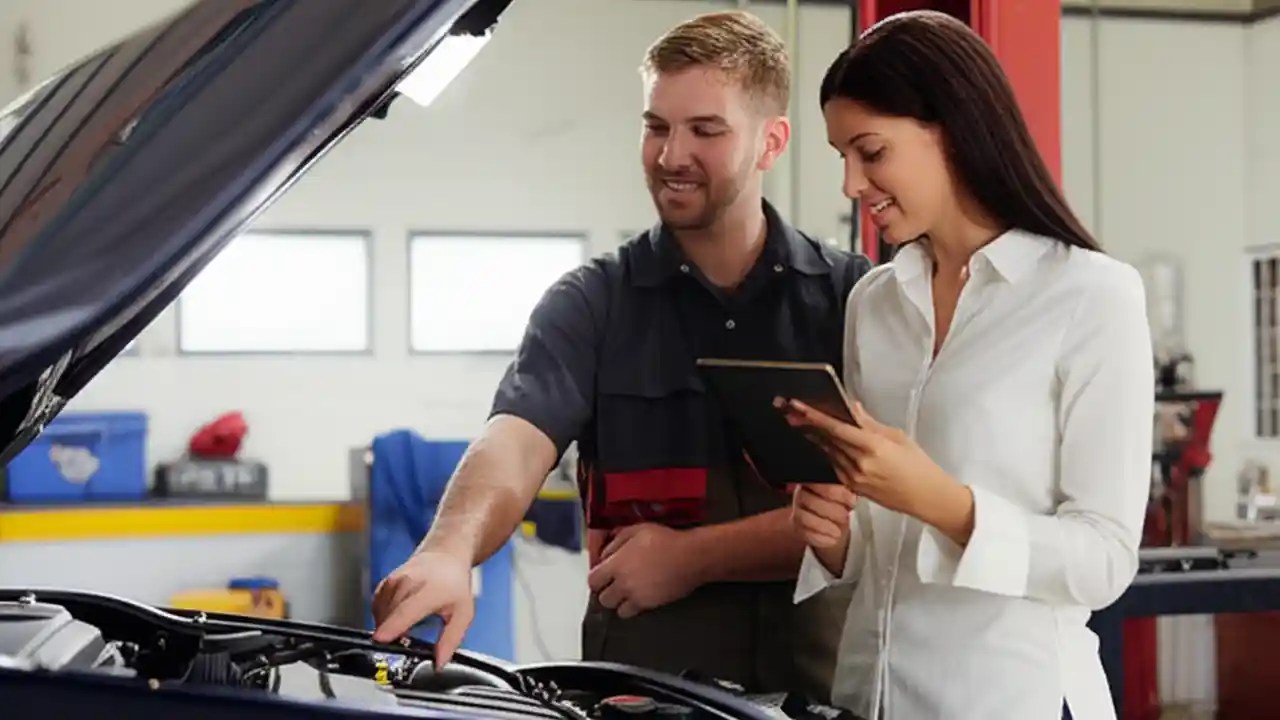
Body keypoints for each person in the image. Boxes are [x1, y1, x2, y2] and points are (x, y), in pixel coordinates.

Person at [371, 10, 872, 698]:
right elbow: (514, 441)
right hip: (639, 693)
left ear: (771, 142)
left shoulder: (853, 301)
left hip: (819, 691)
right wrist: (448, 551)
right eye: (656, 126)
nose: (671, 155)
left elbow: (882, 513)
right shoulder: (592, 304)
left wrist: (696, 557)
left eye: (706, 130)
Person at [781, 10, 1153, 720]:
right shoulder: (874, 303)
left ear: (948, 129)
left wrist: (941, 501)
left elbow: (1104, 561)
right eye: (842, 157)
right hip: (870, 696)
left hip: (1014, 698)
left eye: (870, 151)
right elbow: (876, 548)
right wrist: (836, 538)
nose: (852, 183)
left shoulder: (1091, 296)